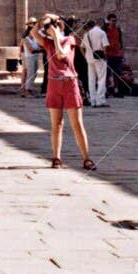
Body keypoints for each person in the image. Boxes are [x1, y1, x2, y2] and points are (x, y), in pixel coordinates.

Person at [37, 15, 95, 170]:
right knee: (56, 124)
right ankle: (56, 157)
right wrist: (43, 20)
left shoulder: (69, 40)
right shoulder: (47, 42)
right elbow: (33, 32)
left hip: (69, 83)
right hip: (54, 84)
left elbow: (61, 54)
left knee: (77, 123)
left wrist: (56, 35)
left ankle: (86, 158)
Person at [83, 19, 110, 107]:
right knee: (101, 79)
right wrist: (105, 57)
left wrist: (85, 55)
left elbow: (82, 47)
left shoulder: (86, 34)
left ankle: (93, 100)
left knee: (91, 79)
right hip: (99, 58)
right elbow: (105, 46)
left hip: (89, 58)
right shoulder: (101, 33)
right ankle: (100, 100)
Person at [103, 13, 126, 99]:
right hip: (108, 54)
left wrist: (122, 51)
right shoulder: (105, 30)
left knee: (117, 73)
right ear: (108, 21)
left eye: (115, 21)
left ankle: (116, 89)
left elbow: (120, 41)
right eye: (112, 21)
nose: (114, 22)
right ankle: (106, 90)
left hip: (117, 54)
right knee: (107, 74)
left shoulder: (118, 29)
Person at [19, 19, 43, 97]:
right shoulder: (26, 39)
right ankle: (26, 90)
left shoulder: (35, 38)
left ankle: (29, 89)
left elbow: (40, 46)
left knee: (34, 74)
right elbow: (31, 50)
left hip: (35, 57)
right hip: (29, 57)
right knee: (29, 74)